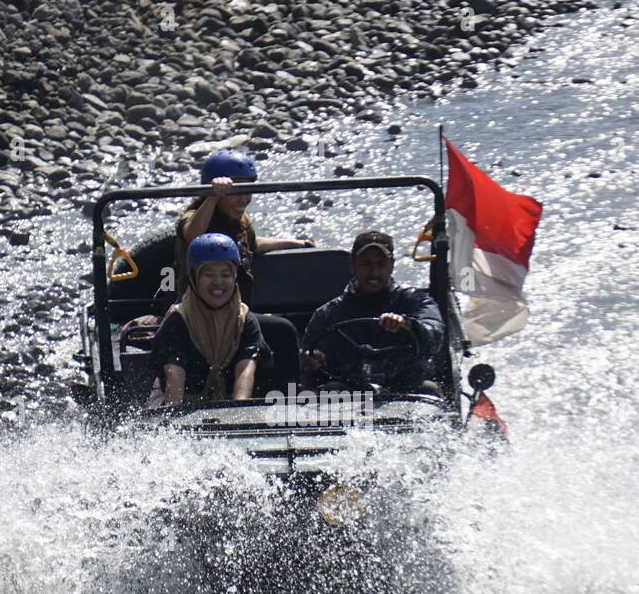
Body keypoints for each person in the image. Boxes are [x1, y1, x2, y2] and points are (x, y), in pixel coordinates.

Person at [301, 230, 444, 393]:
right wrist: (314, 362)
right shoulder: (327, 314)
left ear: (392, 265)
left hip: (406, 390)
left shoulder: (416, 301)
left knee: (429, 389)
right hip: (349, 395)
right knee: (329, 391)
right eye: (366, 264)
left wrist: (407, 325)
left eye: (381, 264)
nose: (374, 273)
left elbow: (435, 336)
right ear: (352, 265)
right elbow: (309, 362)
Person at [174, 149, 314, 297]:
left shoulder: (240, 220)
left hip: (233, 304)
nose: (243, 200)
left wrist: (296, 243)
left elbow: (253, 244)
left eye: (247, 191)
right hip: (196, 304)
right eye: (234, 193)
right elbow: (193, 236)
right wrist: (213, 195)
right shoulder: (193, 216)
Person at [151, 233, 269, 404]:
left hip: (229, 405)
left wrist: (238, 414)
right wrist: (174, 425)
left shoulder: (245, 320)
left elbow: (246, 371)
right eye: (209, 274)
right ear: (194, 277)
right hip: (180, 405)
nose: (218, 282)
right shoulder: (177, 320)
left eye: (225, 275)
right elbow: (175, 376)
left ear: (235, 277)